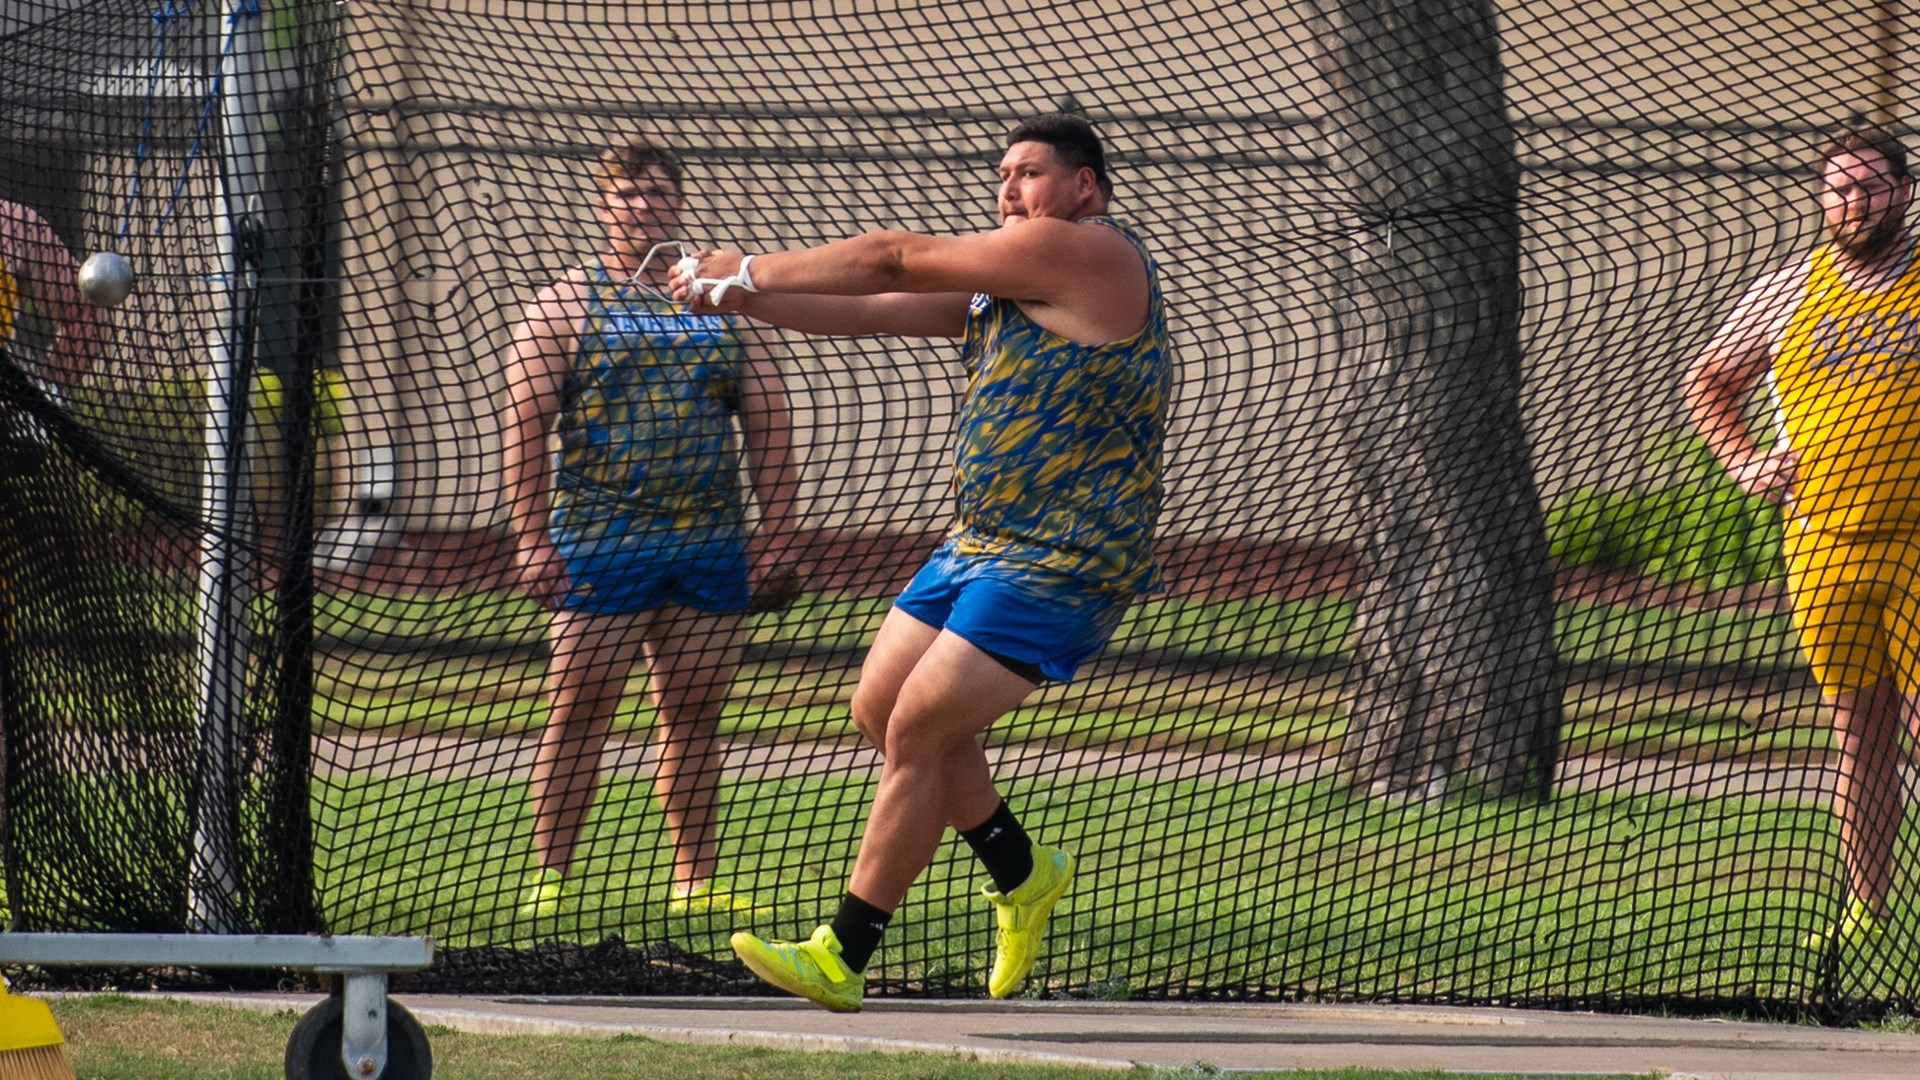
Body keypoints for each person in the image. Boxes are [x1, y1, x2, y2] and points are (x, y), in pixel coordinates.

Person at [671, 113, 1172, 1010]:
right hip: (976, 543)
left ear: (1085, 187)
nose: (1008, 190)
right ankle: (1024, 872)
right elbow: (869, 309)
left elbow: (892, 258)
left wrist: (747, 266)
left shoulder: (1091, 255)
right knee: (877, 711)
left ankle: (843, 952)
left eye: (1027, 173)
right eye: (1002, 176)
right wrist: (739, 301)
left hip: (1064, 560)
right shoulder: (1005, 291)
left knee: (917, 733)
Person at [500, 137, 802, 919]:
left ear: (678, 203)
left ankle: (695, 882)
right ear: (605, 209)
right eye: (628, 195)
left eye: (657, 194)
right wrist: (530, 537)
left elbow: (769, 420)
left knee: (696, 709)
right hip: (600, 540)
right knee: (580, 705)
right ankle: (552, 878)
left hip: (709, 540)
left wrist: (780, 534)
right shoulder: (564, 303)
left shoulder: (720, 301)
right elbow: (525, 425)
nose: (643, 207)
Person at [1685, 125, 1920, 952]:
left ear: (1905, 191)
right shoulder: (1789, 290)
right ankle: (1869, 912)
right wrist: (1744, 462)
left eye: (1870, 186)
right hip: (1823, 546)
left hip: (1917, 544)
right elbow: (1708, 380)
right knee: (1860, 735)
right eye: (1839, 189)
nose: (1853, 202)